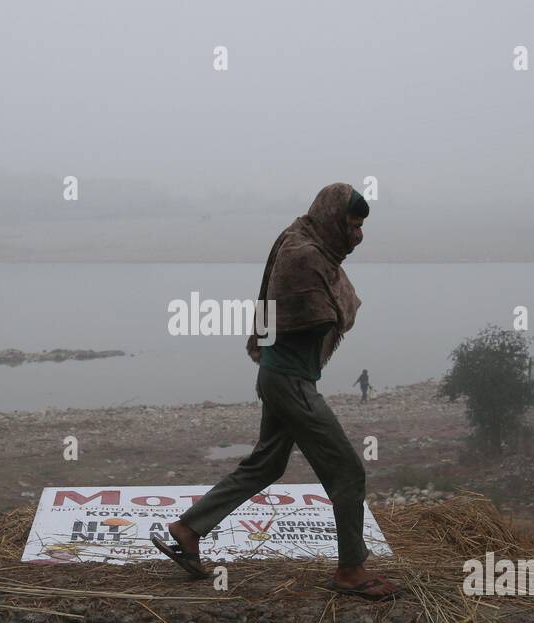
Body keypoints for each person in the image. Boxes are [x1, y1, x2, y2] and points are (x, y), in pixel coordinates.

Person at [151, 182, 401, 600]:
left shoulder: (310, 245)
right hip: (289, 381)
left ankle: (187, 529)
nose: (357, 236)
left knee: (265, 466)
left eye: (361, 228)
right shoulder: (303, 256)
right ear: (333, 219)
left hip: (278, 375)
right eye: (352, 226)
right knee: (348, 472)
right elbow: (313, 314)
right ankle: (351, 571)